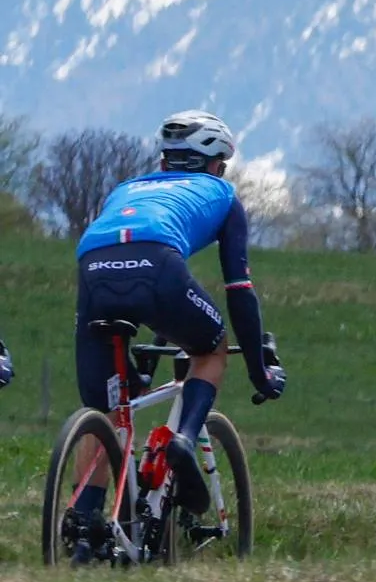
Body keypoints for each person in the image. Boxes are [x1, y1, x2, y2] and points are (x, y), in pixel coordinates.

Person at [62, 110, 282, 543]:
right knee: (210, 348)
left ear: (164, 162)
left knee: (107, 407)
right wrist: (260, 370)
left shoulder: (127, 189)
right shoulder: (221, 193)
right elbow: (239, 290)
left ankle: (83, 532)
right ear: (218, 164)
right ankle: (181, 439)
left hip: (93, 268)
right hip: (158, 265)